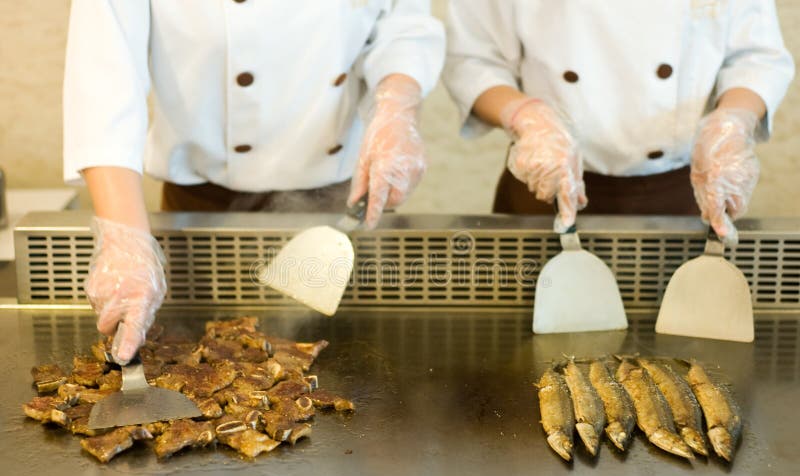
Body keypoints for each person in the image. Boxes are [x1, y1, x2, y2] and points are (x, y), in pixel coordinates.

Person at [63, 0, 445, 364]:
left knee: (350, 359)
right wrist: (124, 237)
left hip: (340, 202)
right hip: (199, 209)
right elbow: (105, 73)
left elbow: (402, 22)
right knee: (187, 354)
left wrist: (397, 106)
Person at [444, 0, 794, 235]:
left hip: (685, 194)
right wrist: (528, 118)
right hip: (546, 188)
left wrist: (731, 123)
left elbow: (756, 57)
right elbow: (473, 61)